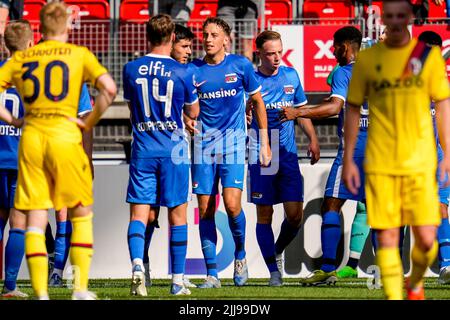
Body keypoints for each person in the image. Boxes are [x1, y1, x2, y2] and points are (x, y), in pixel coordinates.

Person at [0, 2, 117, 300]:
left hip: (32, 143)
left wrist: (14, 120)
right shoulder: (79, 56)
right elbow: (110, 90)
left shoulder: (23, 59)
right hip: (65, 142)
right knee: (78, 215)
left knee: (35, 219)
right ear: (66, 26)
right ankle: (79, 287)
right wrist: (88, 121)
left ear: (39, 28)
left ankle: (40, 290)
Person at [343, 0, 450, 300]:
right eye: (389, 17)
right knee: (389, 232)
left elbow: (442, 106)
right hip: (382, 159)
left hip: (421, 158)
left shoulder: (424, 59)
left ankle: (415, 280)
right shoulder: (369, 60)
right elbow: (352, 109)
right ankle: (395, 292)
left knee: (427, 237)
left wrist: (448, 153)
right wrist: (350, 157)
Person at [279, 26, 367, 286]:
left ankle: (327, 268)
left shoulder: (344, 72)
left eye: (335, 46)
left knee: (332, 204)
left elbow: (333, 107)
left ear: (346, 47)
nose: (332, 51)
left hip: (354, 151)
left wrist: (299, 113)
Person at [190, 17, 271, 289]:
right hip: (203, 147)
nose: (208, 39)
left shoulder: (240, 66)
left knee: (232, 204)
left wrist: (265, 143)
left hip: (234, 145)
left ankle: (240, 254)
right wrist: (186, 118)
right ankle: (212, 274)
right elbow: (183, 104)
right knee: (205, 210)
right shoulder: (194, 70)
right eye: (205, 34)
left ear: (226, 39)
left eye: (214, 34)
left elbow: (258, 102)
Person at [123, 14, 199, 296]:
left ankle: (137, 268)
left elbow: (132, 110)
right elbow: (193, 112)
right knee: (178, 216)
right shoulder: (185, 71)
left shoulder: (131, 68)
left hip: (143, 147)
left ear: (147, 37)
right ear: (171, 39)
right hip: (174, 149)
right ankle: (177, 282)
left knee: (138, 215)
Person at [247, 30, 320, 286]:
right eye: (270, 53)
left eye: (279, 52)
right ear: (260, 54)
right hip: (263, 153)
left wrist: (312, 138)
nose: (277, 58)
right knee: (264, 214)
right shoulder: (252, 80)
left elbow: (300, 111)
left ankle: (276, 251)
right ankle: (273, 272)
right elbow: (243, 115)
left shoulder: (291, 75)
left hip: (288, 154)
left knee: (295, 216)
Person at [0, 19, 30, 298]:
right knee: (18, 224)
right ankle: (9, 286)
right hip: (22, 161)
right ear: (31, 45)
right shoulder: (34, 78)